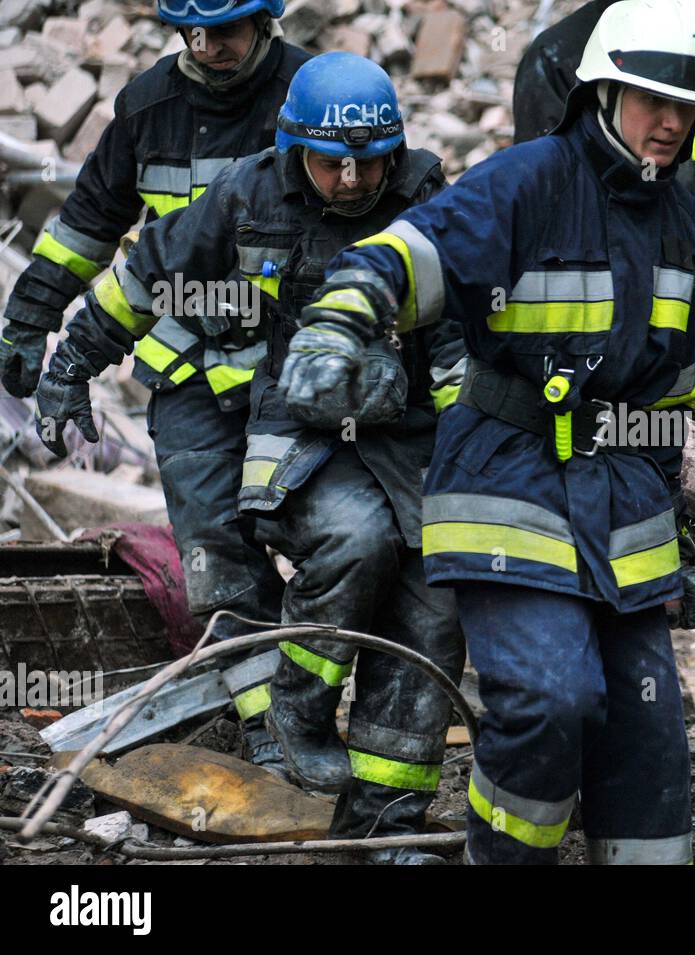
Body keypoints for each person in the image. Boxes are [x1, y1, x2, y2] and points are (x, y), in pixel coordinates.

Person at [279, 0, 695, 864]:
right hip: (507, 487)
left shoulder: (680, 214)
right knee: (551, 700)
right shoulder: (529, 179)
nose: (670, 123)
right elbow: (408, 253)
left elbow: (671, 386)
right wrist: (340, 322)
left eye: (689, 109)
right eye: (651, 100)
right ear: (603, 91)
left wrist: (678, 528)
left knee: (647, 742)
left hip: (626, 506)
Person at [35, 53, 466, 863]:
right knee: (353, 539)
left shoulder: (425, 198)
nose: (349, 177)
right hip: (299, 436)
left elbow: (458, 341)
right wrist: (69, 364)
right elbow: (144, 274)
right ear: (294, 148)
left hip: (409, 440)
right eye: (330, 160)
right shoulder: (251, 193)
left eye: (368, 159)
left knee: (436, 601)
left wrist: (468, 449)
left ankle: (387, 824)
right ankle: (297, 706)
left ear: (395, 148)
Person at [3, 0, 309, 770]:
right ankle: (271, 732)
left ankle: (331, 705)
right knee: (216, 559)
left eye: (226, 32)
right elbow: (87, 224)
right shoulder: (148, 103)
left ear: (266, 21)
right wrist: (29, 320)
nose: (206, 48)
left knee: (334, 544)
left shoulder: (313, 92)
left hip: (297, 368)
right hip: (191, 369)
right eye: (191, 32)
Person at [512, 0, 695, 212]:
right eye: (652, 98)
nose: (674, 123)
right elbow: (538, 193)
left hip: (676, 254)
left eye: (687, 104)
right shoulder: (558, 56)